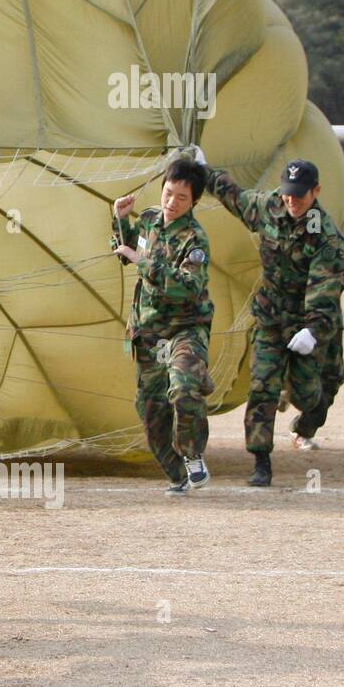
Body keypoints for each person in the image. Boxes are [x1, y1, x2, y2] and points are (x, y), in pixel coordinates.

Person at [194, 150, 344, 486]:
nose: (292, 200)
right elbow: (233, 196)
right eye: (288, 192)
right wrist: (203, 168)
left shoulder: (327, 237)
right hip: (270, 318)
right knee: (262, 384)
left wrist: (312, 330)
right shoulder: (269, 207)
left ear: (316, 192)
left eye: (300, 194)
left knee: (308, 396)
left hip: (310, 323)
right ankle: (261, 462)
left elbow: (323, 290)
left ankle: (307, 417)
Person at [111, 157, 214, 495]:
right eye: (168, 193)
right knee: (152, 411)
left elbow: (186, 286)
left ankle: (192, 452)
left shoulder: (195, 240)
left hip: (186, 328)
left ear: (194, 202)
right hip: (148, 331)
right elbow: (126, 253)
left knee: (183, 389)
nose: (171, 203)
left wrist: (146, 263)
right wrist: (121, 221)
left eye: (181, 198)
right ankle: (177, 475)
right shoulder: (150, 221)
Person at [286, 222, 344, 451]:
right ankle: (284, 386)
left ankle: (302, 430)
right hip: (287, 313)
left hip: (327, 317)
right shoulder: (284, 215)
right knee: (271, 376)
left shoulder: (339, 220)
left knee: (332, 376)